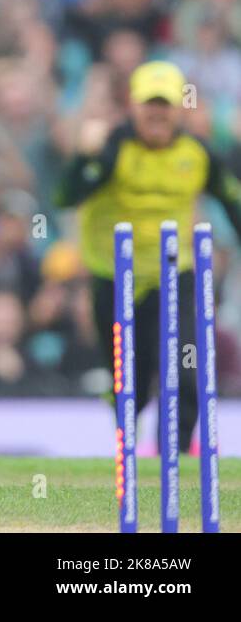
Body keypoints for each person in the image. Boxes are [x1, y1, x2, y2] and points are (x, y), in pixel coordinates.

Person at [56, 60, 241, 451]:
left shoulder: (197, 152)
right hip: (114, 277)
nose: (157, 113)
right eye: (149, 104)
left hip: (175, 273)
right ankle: (130, 447)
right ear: (133, 105)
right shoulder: (112, 148)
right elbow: (66, 197)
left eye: (165, 104)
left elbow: (232, 201)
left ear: (179, 108)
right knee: (130, 385)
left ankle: (171, 458)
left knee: (187, 371)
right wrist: (83, 156)